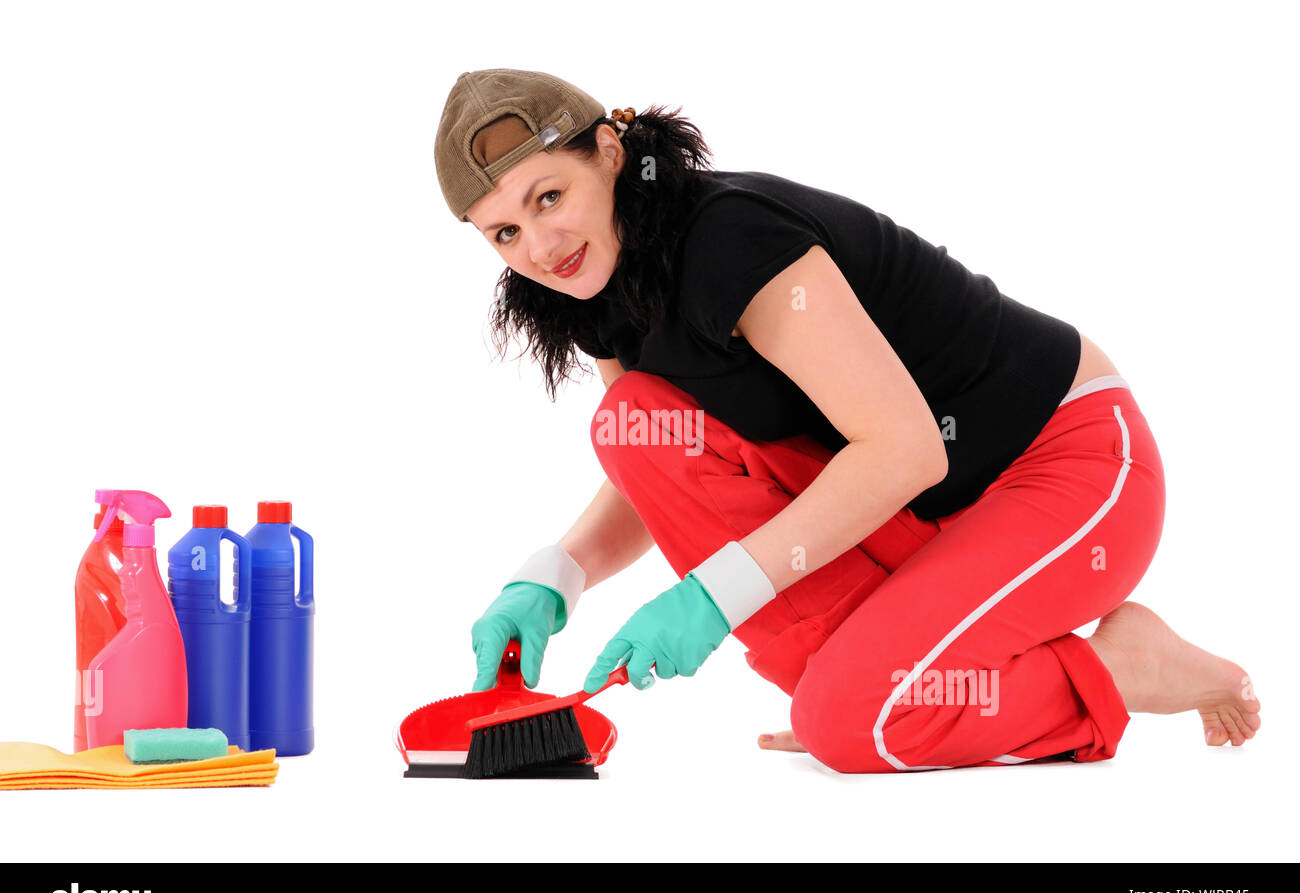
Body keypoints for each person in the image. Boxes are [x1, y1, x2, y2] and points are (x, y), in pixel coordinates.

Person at [433, 68, 1260, 772]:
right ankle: (880, 693)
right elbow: (653, 463)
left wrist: (712, 597)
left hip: (1068, 466)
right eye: (506, 231)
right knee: (630, 419)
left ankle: (1119, 670)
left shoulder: (732, 242)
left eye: (551, 196)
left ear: (610, 152)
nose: (541, 247)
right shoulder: (595, 288)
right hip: (922, 509)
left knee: (850, 721)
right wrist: (557, 574)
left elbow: (904, 450)